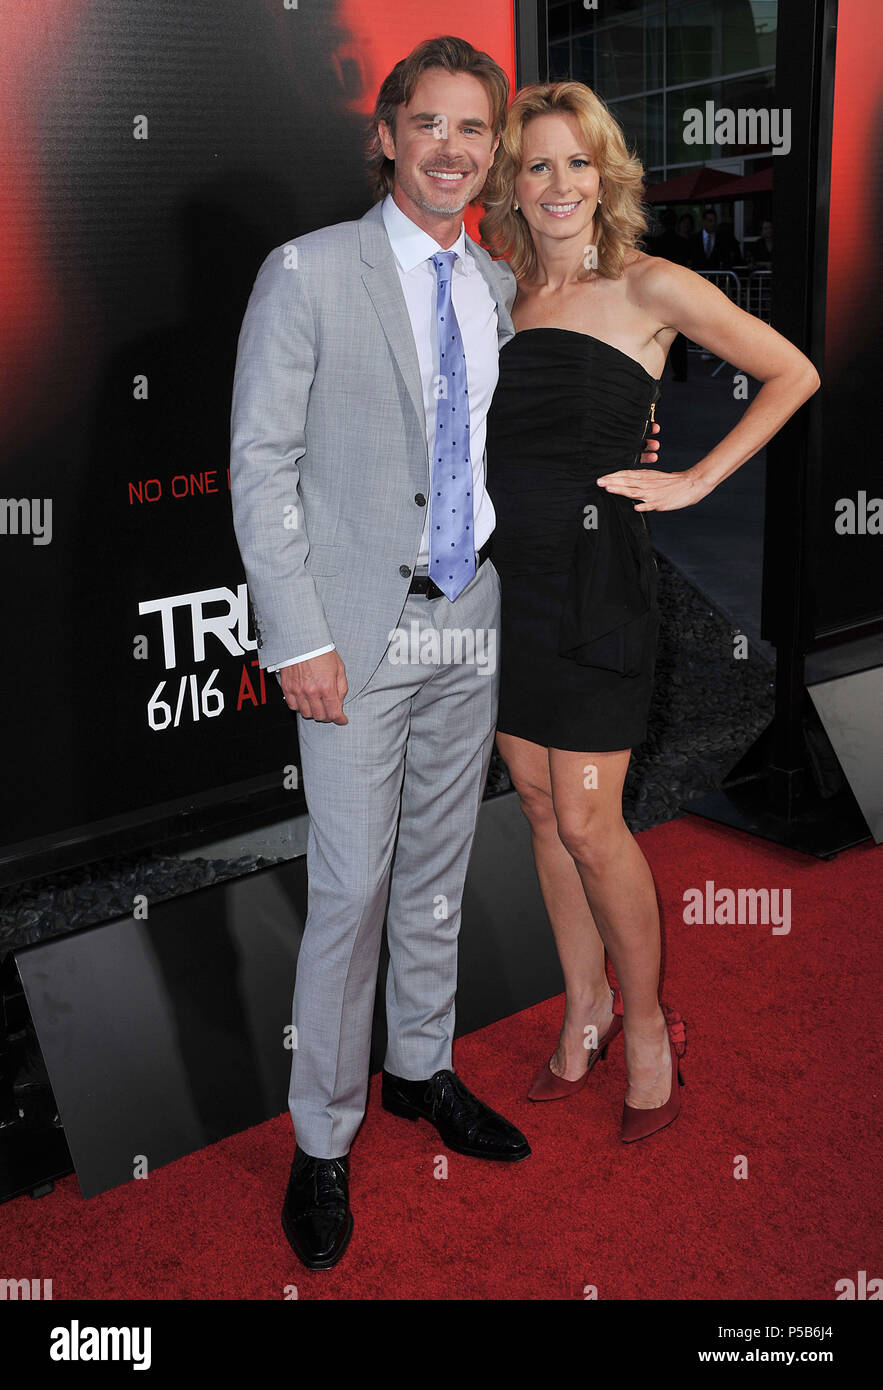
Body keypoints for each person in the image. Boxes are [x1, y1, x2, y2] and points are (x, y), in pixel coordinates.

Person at [229, 36, 535, 1272]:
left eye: (473, 131)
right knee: (350, 891)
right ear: (387, 134)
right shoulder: (306, 273)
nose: (452, 150)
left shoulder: (500, 284)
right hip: (354, 630)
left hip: (472, 609)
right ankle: (322, 1139)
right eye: (429, 125)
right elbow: (260, 464)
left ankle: (421, 1069)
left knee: (439, 869)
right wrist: (295, 632)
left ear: (489, 149)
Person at [480, 81, 820, 1143]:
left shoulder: (649, 285)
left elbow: (790, 371)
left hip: (599, 589)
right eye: (537, 165)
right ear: (513, 183)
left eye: (577, 163)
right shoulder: (494, 292)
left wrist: (696, 477)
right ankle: (580, 1008)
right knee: (538, 808)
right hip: (507, 586)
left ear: (606, 175)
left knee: (590, 819)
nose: (558, 184)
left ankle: (646, 1029)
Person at [647, 208, 688, 380]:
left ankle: (655, 373)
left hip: (658, 292)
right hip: (679, 290)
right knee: (680, 335)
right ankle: (681, 372)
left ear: (661, 224)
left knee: (657, 334)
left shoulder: (654, 243)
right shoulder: (683, 242)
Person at [690, 206, 736, 271]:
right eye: (710, 221)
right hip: (698, 275)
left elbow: (725, 258)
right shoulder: (694, 238)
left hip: (715, 276)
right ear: (704, 221)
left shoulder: (721, 239)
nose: (713, 223)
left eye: (715, 221)